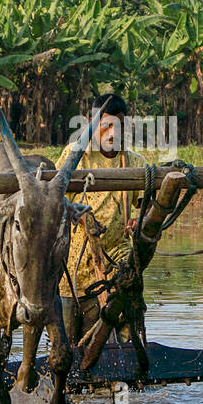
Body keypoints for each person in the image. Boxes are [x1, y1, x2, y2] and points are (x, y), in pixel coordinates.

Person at [55, 92, 147, 331]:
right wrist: (80, 217)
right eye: (106, 126)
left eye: (119, 126)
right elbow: (53, 202)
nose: (113, 134)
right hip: (74, 266)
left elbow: (145, 208)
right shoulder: (75, 157)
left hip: (117, 261)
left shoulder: (135, 163)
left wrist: (139, 221)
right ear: (92, 125)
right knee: (69, 342)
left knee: (123, 327)